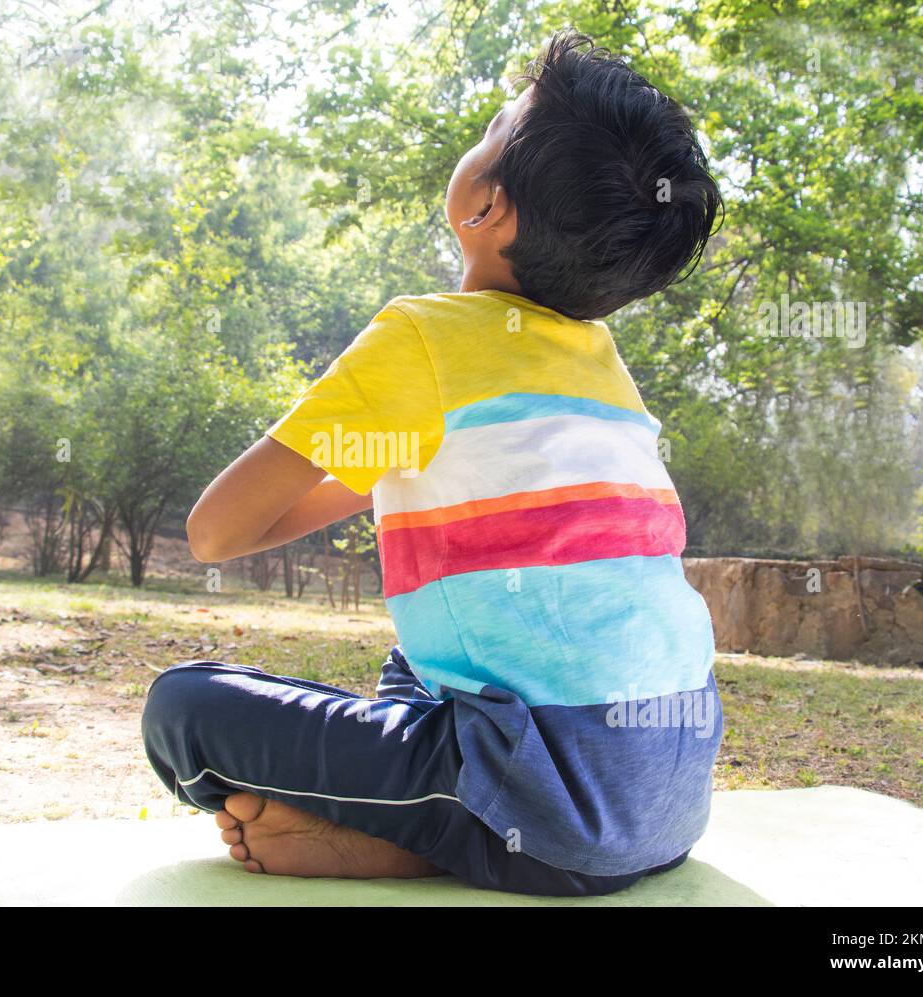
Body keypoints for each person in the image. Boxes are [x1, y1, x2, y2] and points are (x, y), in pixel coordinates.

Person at [141, 28, 724, 896]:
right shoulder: (600, 362)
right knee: (420, 657)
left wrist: (365, 440)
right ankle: (427, 830)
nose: (480, 133)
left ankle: (418, 835)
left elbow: (216, 531)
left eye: (494, 124)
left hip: (559, 810)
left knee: (183, 709)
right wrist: (396, 450)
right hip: (669, 796)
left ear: (487, 207)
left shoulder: (421, 336)